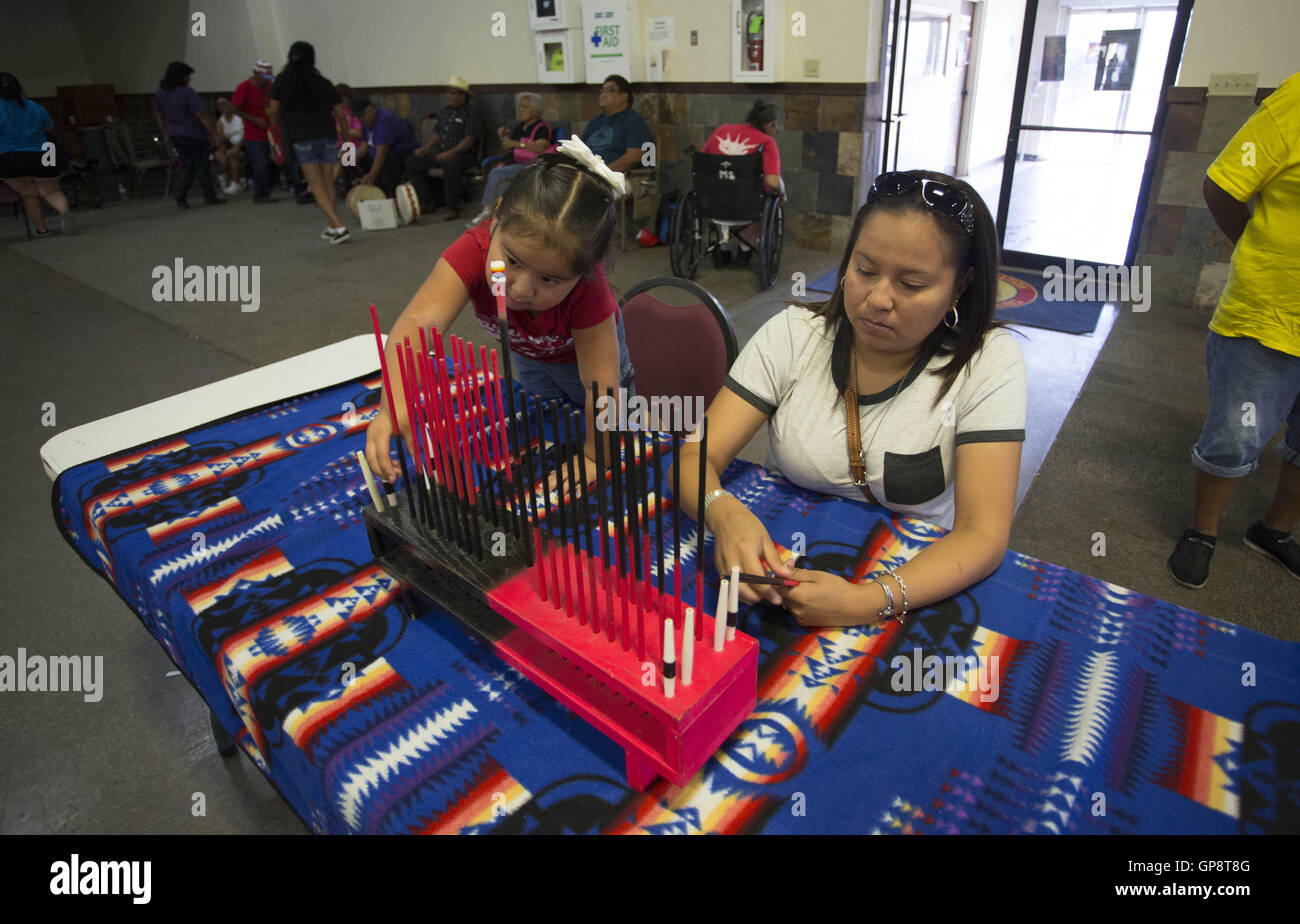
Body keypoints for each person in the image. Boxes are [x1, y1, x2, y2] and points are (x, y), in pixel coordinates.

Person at [676, 169, 1026, 627]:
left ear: (960, 285)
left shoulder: (987, 362)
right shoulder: (794, 335)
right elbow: (694, 456)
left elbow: (982, 535)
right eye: (864, 270)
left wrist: (868, 601)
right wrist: (721, 509)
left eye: (912, 284)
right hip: (785, 570)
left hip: (919, 582)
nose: (878, 298)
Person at [365, 137, 636, 487]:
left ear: (582, 274)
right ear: (496, 218)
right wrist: (393, 403)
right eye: (511, 261)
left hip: (587, 368)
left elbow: (603, 389)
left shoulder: (589, 290)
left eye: (549, 279)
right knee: (550, 425)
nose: (520, 289)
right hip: (528, 358)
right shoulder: (472, 249)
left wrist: (595, 458)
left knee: (605, 434)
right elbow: (417, 322)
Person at [1168, 71, 1300, 588]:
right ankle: (1203, 531)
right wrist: (1255, 247)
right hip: (1270, 312)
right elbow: (1222, 184)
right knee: (1235, 434)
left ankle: (1275, 530)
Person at [267, 41, 350, 244]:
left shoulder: (282, 82)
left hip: (301, 137)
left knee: (316, 185)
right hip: (328, 134)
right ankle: (332, 227)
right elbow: (341, 114)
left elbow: (274, 112)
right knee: (328, 183)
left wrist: (277, 126)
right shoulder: (322, 82)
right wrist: (346, 140)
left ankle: (338, 226)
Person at [701, 99, 785, 258]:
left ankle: (723, 245)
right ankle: (745, 248)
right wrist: (782, 193)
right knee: (764, 197)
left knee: (725, 187)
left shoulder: (721, 130)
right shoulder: (767, 142)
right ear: (769, 125)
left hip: (713, 203)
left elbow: (703, 162)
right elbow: (773, 182)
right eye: (776, 127)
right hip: (748, 207)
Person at [0, 72, 73, 236]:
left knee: (28, 194)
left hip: (8, 158)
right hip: (42, 154)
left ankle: (41, 229)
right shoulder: (33, 106)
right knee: (52, 192)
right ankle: (63, 212)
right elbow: (49, 127)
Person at [402, 76, 484, 220]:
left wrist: (449, 153)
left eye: (452, 93)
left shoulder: (471, 113)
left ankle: (452, 207)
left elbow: (469, 140)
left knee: (451, 163)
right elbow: (437, 133)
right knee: (412, 162)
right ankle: (427, 202)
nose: (448, 96)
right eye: (448, 93)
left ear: (462, 96)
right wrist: (425, 149)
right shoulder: (445, 111)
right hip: (441, 153)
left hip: (463, 155)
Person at [467, 91, 552, 226]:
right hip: (515, 162)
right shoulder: (519, 126)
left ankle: (487, 210)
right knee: (501, 181)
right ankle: (498, 217)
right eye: (520, 107)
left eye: (525, 107)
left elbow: (541, 147)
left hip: (532, 165)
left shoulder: (541, 127)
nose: (521, 110)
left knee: (497, 173)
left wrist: (518, 144)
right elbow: (506, 147)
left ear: (535, 110)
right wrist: (504, 137)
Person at [152, 61, 222, 208]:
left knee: (187, 165)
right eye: (187, 75)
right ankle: (209, 196)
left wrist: (165, 133)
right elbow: (201, 115)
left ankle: (180, 194)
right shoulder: (187, 92)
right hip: (193, 133)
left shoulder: (161, 93)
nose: (189, 78)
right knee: (202, 165)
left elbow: (158, 115)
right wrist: (213, 134)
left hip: (174, 133)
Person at [580, 75, 652, 175]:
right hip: (589, 174)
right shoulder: (596, 122)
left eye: (610, 90)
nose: (603, 94)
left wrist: (603, 172)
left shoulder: (634, 122)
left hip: (618, 178)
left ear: (624, 96)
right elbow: (580, 149)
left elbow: (634, 156)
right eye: (602, 90)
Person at [350, 94, 418, 196]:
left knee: (388, 161)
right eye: (358, 117)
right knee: (358, 160)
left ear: (371, 109)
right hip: (381, 153)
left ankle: (391, 194)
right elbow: (365, 144)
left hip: (400, 153)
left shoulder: (383, 121)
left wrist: (371, 176)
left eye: (362, 116)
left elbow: (381, 154)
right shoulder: (366, 122)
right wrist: (352, 160)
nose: (360, 119)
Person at [232, 61, 275, 202]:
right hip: (254, 133)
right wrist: (254, 119)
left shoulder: (270, 86)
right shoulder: (244, 87)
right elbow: (234, 108)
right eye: (263, 77)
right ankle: (260, 194)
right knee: (259, 163)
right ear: (256, 74)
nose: (265, 81)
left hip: (271, 131)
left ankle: (265, 191)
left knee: (269, 163)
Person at [332, 83, 364, 194]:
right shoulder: (333, 113)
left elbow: (359, 133)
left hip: (354, 145)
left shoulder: (354, 113)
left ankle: (327, 187)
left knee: (342, 157)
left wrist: (341, 129)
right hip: (336, 145)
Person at [213, 97, 244, 195]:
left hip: (244, 144)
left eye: (224, 103)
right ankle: (238, 181)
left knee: (232, 154)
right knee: (219, 155)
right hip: (229, 145)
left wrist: (237, 146)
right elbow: (221, 139)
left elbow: (246, 134)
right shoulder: (220, 121)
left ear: (230, 104)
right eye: (219, 104)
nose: (222, 106)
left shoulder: (239, 117)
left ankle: (236, 183)